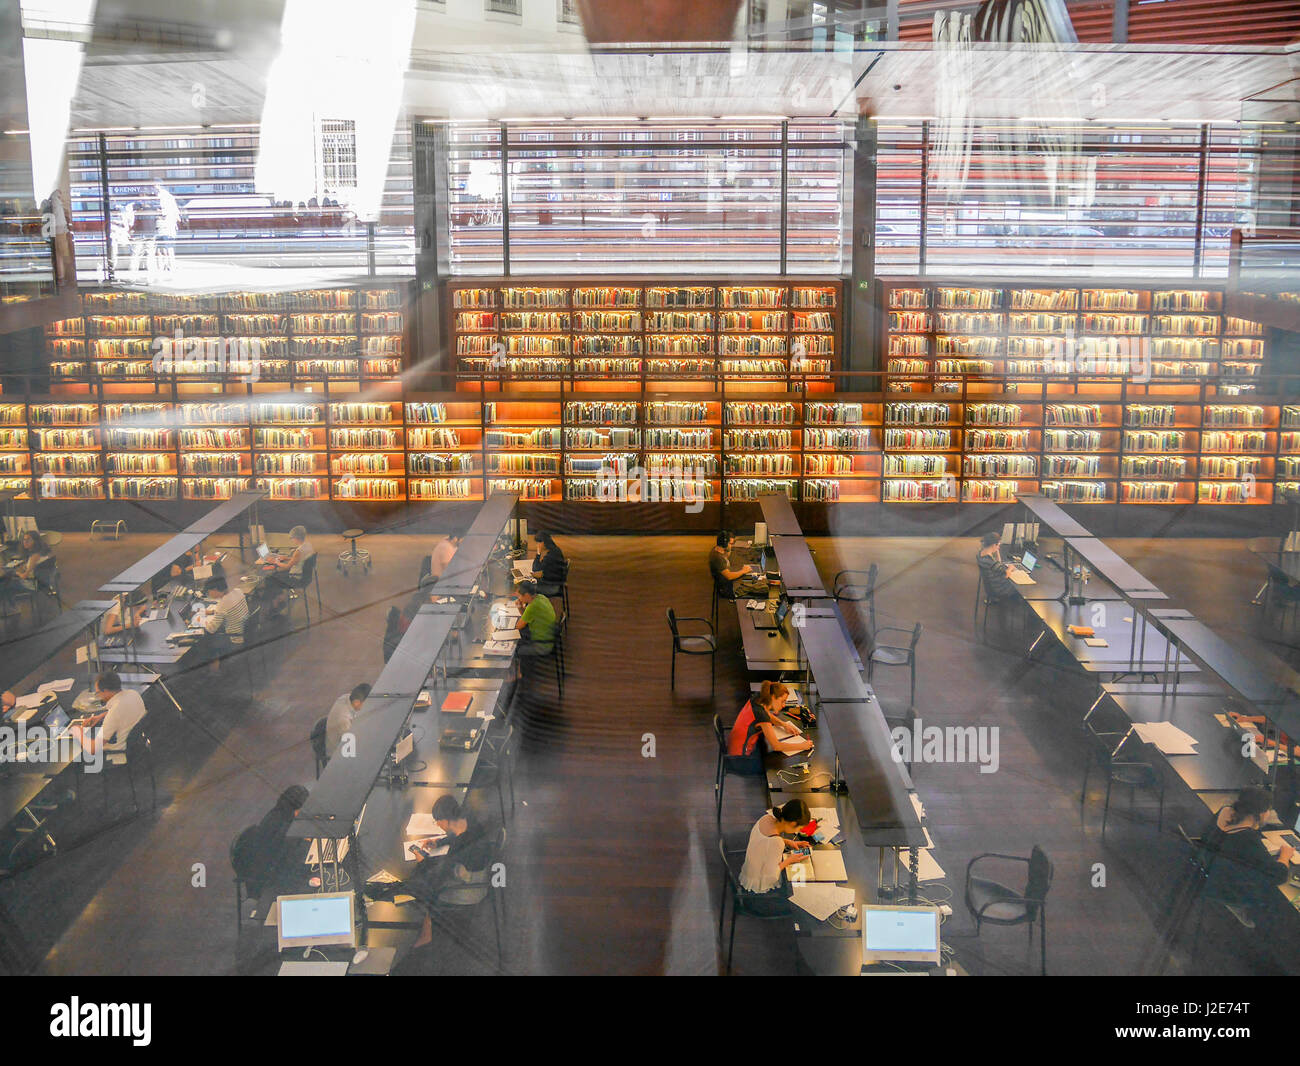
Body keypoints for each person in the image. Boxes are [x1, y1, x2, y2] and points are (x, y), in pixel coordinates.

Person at [407, 794, 495, 948]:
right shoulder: (470, 823)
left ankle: (426, 932)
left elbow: (439, 877)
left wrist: (422, 862)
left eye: (438, 822)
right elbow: (458, 838)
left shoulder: (459, 847)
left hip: (468, 888)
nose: (438, 825)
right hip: (480, 874)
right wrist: (439, 841)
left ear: (446, 820)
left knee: (423, 884)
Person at [1202, 786, 1294, 928]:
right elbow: (1279, 875)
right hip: (1227, 888)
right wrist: (1285, 856)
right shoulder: (1247, 839)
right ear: (1260, 813)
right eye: (1268, 810)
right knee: (1277, 894)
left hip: (1209, 871)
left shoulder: (1225, 811)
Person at [737, 798, 813, 914]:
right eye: (799, 828)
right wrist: (790, 860)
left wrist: (788, 842)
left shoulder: (766, 818)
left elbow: (764, 840)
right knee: (799, 905)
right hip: (758, 887)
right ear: (793, 823)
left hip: (749, 870)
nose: (797, 832)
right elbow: (771, 876)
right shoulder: (776, 843)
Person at [73, 671, 147, 767]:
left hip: (119, 754)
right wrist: (100, 717)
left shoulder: (113, 714)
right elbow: (124, 710)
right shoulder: (133, 693)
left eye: (98, 692)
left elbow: (92, 749)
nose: (98, 696)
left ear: (106, 691)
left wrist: (78, 732)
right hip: (139, 743)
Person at [728, 679, 813, 757]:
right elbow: (776, 746)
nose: (784, 705)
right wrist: (802, 745)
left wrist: (784, 725)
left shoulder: (758, 699)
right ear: (772, 697)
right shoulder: (760, 714)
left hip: (733, 748)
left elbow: (767, 715)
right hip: (740, 757)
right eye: (782, 701)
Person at [201, 568, 250, 668]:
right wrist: (213, 612)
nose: (208, 594)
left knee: (205, 643)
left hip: (235, 640)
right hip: (246, 632)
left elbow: (211, 629)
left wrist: (201, 622)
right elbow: (228, 610)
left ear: (215, 590)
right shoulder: (238, 591)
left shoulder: (222, 604)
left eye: (209, 591)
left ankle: (215, 672)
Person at [267, 526, 315, 614]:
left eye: (292, 538)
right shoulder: (308, 545)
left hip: (296, 579)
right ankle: (280, 597)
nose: (292, 540)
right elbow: (299, 559)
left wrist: (275, 561)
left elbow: (287, 567)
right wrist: (286, 558)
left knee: (270, 578)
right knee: (276, 575)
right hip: (305, 577)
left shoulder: (298, 551)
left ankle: (277, 603)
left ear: (296, 538)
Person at [325, 683, 371, 755]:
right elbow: (353, 746)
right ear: (356, 703)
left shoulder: (347, 697)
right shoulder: (344, 721)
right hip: (338, 753)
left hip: (344, 738)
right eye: (366, 703)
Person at [710, 531, 750, 602]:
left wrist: (728, 548)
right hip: (726, 589)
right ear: (725, 544)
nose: (731, 545)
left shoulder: (717, 550)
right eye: (730, 543)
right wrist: (743, 571)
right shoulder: (718, 558)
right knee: (752, 587)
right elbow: (729, 576)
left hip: (725, 582)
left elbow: (727, 556)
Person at [977, 531, 1018, 601]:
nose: (999, 547)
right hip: (998, 590)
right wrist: (1010, 568)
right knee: (1019, 589)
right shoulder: (991, 562)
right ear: (993, 545)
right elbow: (1006, 574)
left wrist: (996, 551)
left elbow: (999, 564)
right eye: (998, 545)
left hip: (989, 588)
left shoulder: (980, 554)